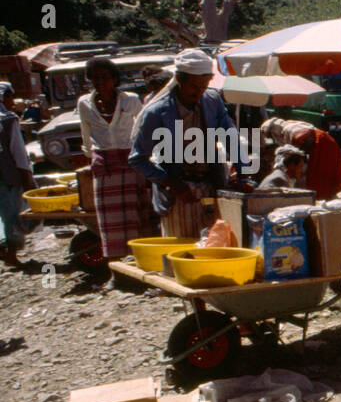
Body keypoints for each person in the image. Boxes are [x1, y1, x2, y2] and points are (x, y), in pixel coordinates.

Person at [128, 49, 247, 237]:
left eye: (204, 86)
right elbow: (137, 159)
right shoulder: (157, 112)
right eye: (193, 86)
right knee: (182, 252)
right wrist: (172, 183)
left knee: (214, 248)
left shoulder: (212, 100)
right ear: (179, 80)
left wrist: (243, 174)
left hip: (211, 186)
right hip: (178, 194)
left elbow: (230, 137)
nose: (198, 92)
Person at [77, 57, 149, 259]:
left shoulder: (130, 99)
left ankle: (137, 261)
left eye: (104, 77)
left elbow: (142, 128)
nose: (100, 82)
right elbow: (85, 133)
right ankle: (114, 267)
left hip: (129, 161)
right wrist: (91, 156)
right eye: (95, 78)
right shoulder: (84, 103)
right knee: (109, 220)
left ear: (114, 78)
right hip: (104, 164)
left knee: (134, 214)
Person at [0, 82, 37, 267]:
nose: (12, 101)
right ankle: (10, 254)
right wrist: (27, 178)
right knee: (12, 215)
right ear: (4, 97)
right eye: (10, 97)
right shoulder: (8, 120)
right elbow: (18, 153)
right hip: (7, 177)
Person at [281, 120, 341, 200]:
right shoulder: (290, 132)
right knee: (315, 175)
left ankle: (323, 196)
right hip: (317, 147)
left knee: (323, 173)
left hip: (323, 146)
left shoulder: (318, 141)